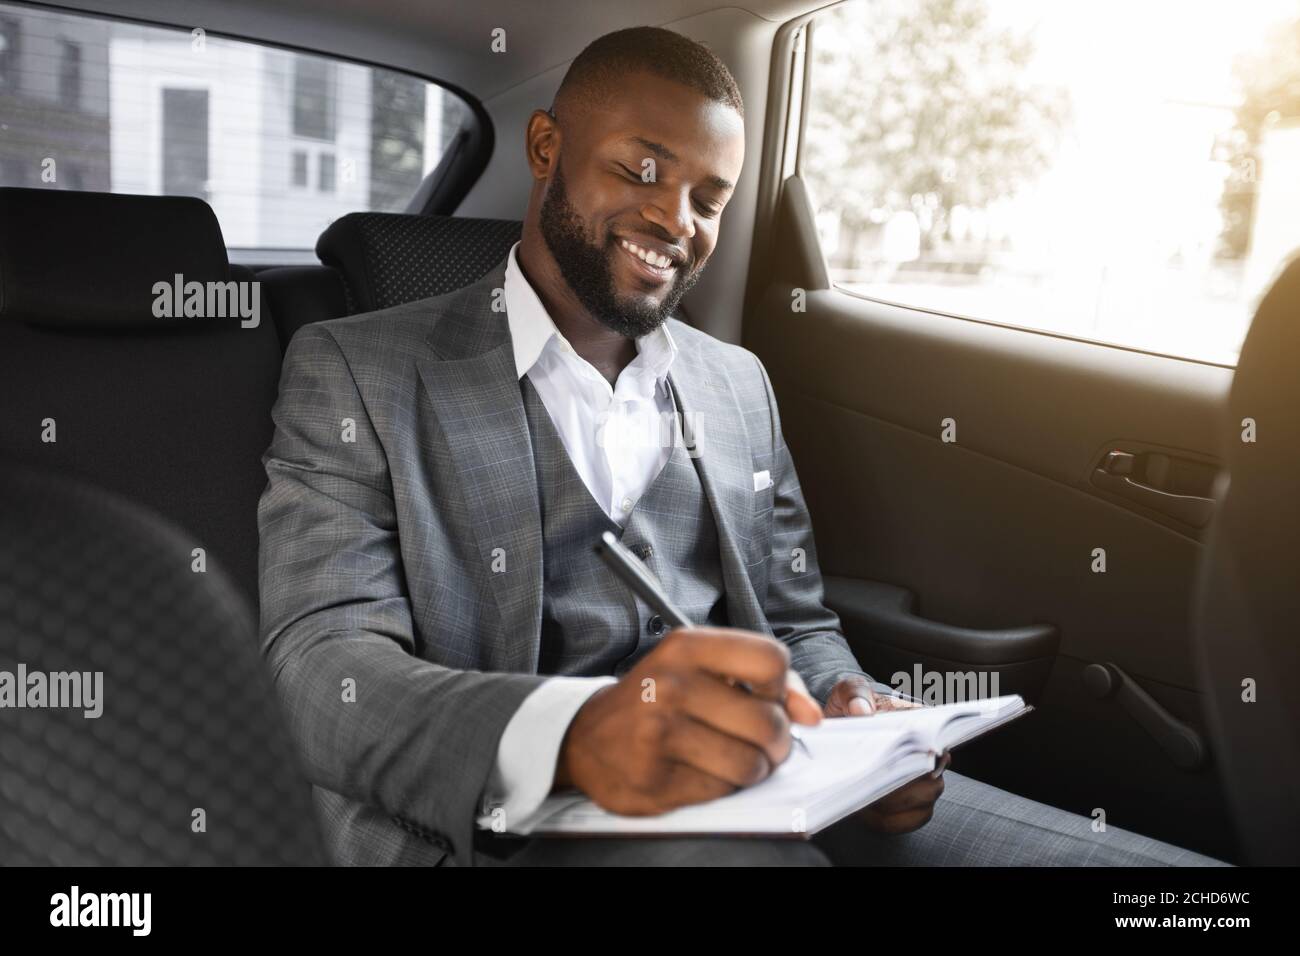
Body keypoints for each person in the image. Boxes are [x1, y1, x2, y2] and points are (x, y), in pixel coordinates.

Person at [257, 26, 1224, 867]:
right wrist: (576, 735)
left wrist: (854, 711)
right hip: (501, 826)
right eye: (642, 170)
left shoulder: (736, 383)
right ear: (547, 147)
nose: (675, 220)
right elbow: (319, 669)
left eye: (709, 198)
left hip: (775, 790)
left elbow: (795, 622)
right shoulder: (357, 370)